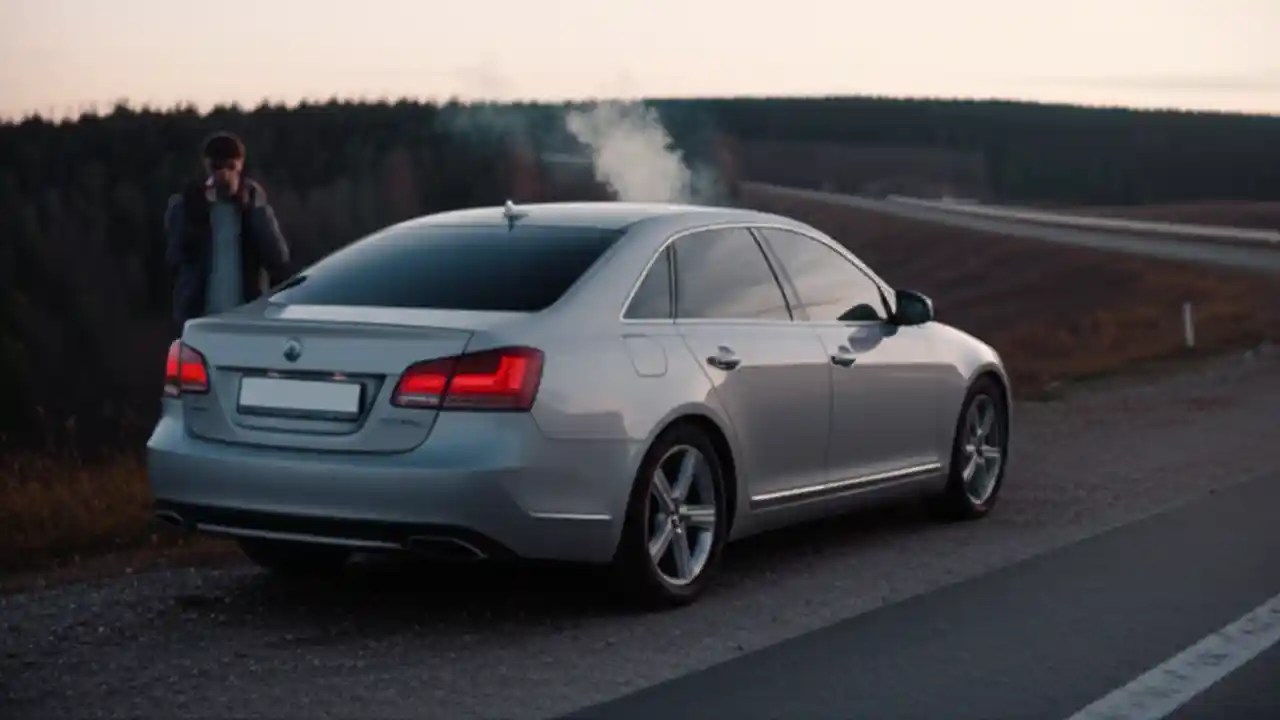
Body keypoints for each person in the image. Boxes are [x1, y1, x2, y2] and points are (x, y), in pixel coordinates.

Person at [164, 132, 291, 325]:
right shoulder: (184, 206)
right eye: (217, 167)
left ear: (240, 167)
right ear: (206, 168)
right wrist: (196, 215)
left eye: (231, 167)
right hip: (200, 320)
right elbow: (176, 256)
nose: (224, 174)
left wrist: (253, 210)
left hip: (246, 319)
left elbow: (277, 257)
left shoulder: (254, 205)